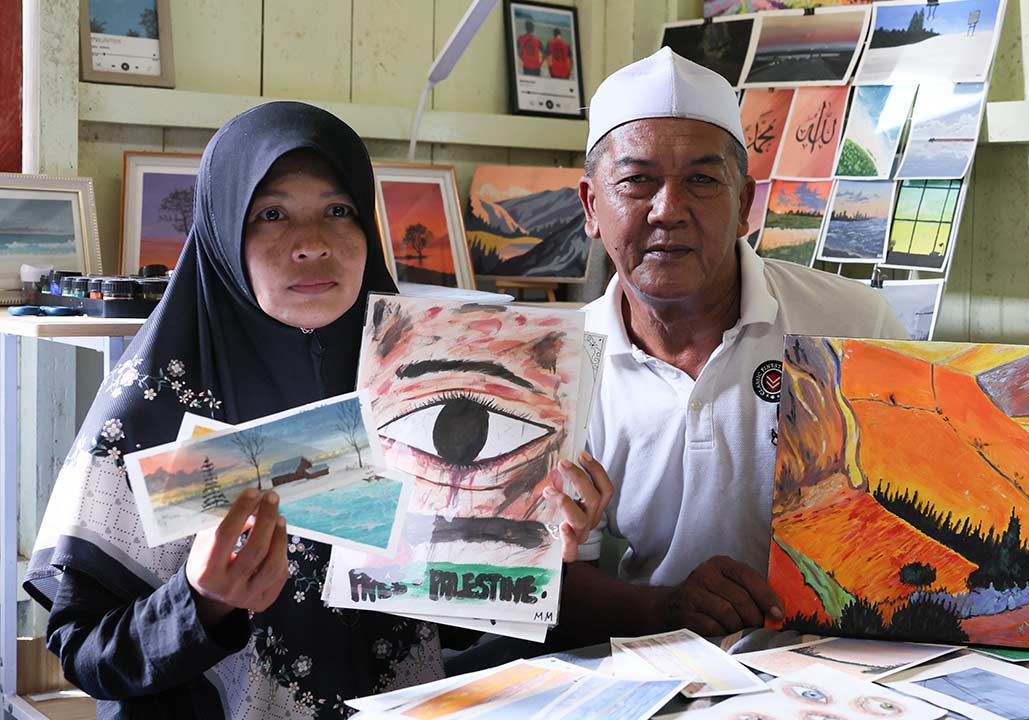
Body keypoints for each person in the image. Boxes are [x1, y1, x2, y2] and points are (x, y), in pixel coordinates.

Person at [555, 48, 1029, 646]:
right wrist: (662, 609)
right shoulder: (557, 367)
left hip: (850, 662)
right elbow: (543, 585)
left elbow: (960, 487)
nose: (668, 209)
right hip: (658, 665)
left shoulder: (847, 320)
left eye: (702, 181)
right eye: (637, 181)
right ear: (590, 204)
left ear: (746, 202)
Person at [23, 102, 609, 718]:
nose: (311, 244)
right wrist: (199, 601)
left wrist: (525, 548)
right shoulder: (153, 406)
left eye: (338, 211)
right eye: (272, 214)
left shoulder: (429, 392)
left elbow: (448, 630)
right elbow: (86, 654)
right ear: (223, 233)